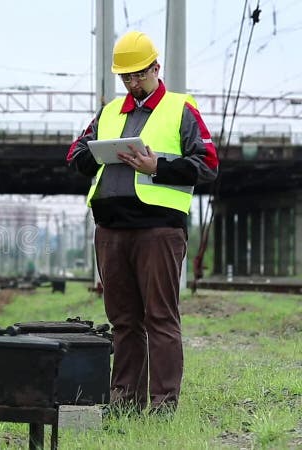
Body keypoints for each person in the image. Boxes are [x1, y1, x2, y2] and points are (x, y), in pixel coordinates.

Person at [66, 31, 219, 414]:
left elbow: (209, 164)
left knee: (160, 317)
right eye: (126, 78)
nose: (132, 83)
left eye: (138, 75)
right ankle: (125, 400)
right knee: (123, 321)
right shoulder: (108, 113)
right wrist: (97, 156)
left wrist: (158, 167)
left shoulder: (181, 109)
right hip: (111, 230)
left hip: (158, 230)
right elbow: (75, 154)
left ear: (155, 67)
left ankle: (164, 403)